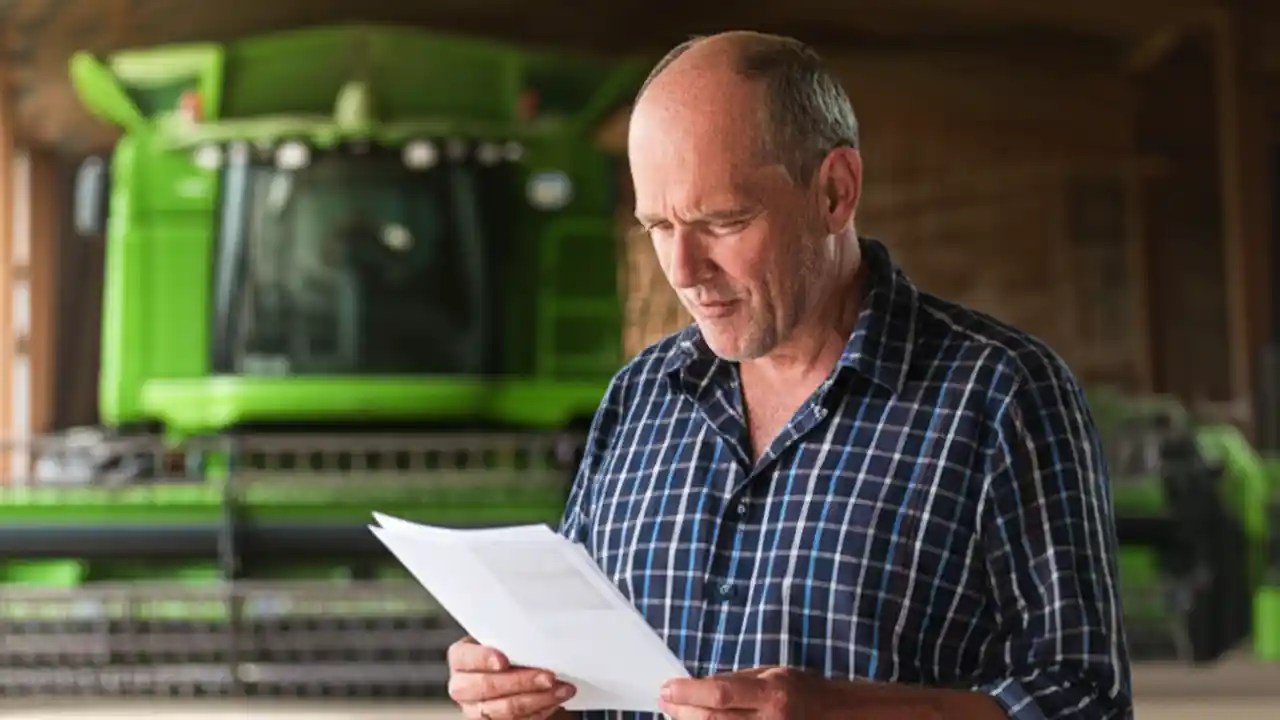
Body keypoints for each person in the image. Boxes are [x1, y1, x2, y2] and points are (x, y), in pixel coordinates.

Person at [445, 30, 1133, 720]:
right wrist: (522, 697)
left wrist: (852, 714)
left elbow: (1086, 703)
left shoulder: (1001, 394)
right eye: (658, 226)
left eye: (723, 221)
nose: (683, 272)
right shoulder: (640, 399)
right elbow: (589, 682)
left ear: (835, 192)